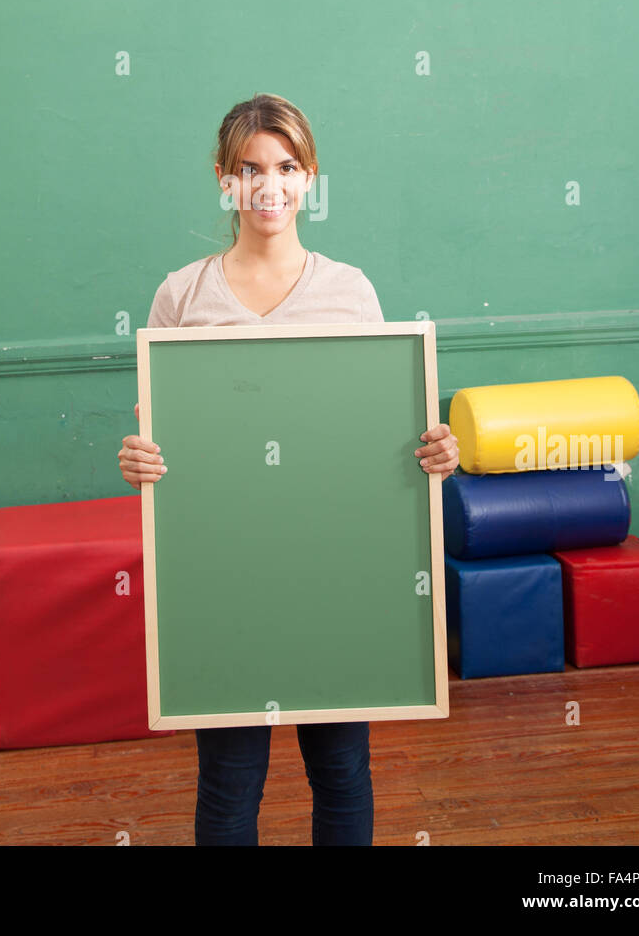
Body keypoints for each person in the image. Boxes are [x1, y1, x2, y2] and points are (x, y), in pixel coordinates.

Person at [119, 92, 459, 845]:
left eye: (285, 166)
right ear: (223, 178)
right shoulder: (181, 296)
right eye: (249, 168)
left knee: (341, 774)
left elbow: (386, 442)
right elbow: (161, 442)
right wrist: (138, 460)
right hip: (226, 582)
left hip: (332, 576)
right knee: (231, 786)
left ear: (308, 176)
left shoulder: (352, 292)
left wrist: (436, 453)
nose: (268, 185)